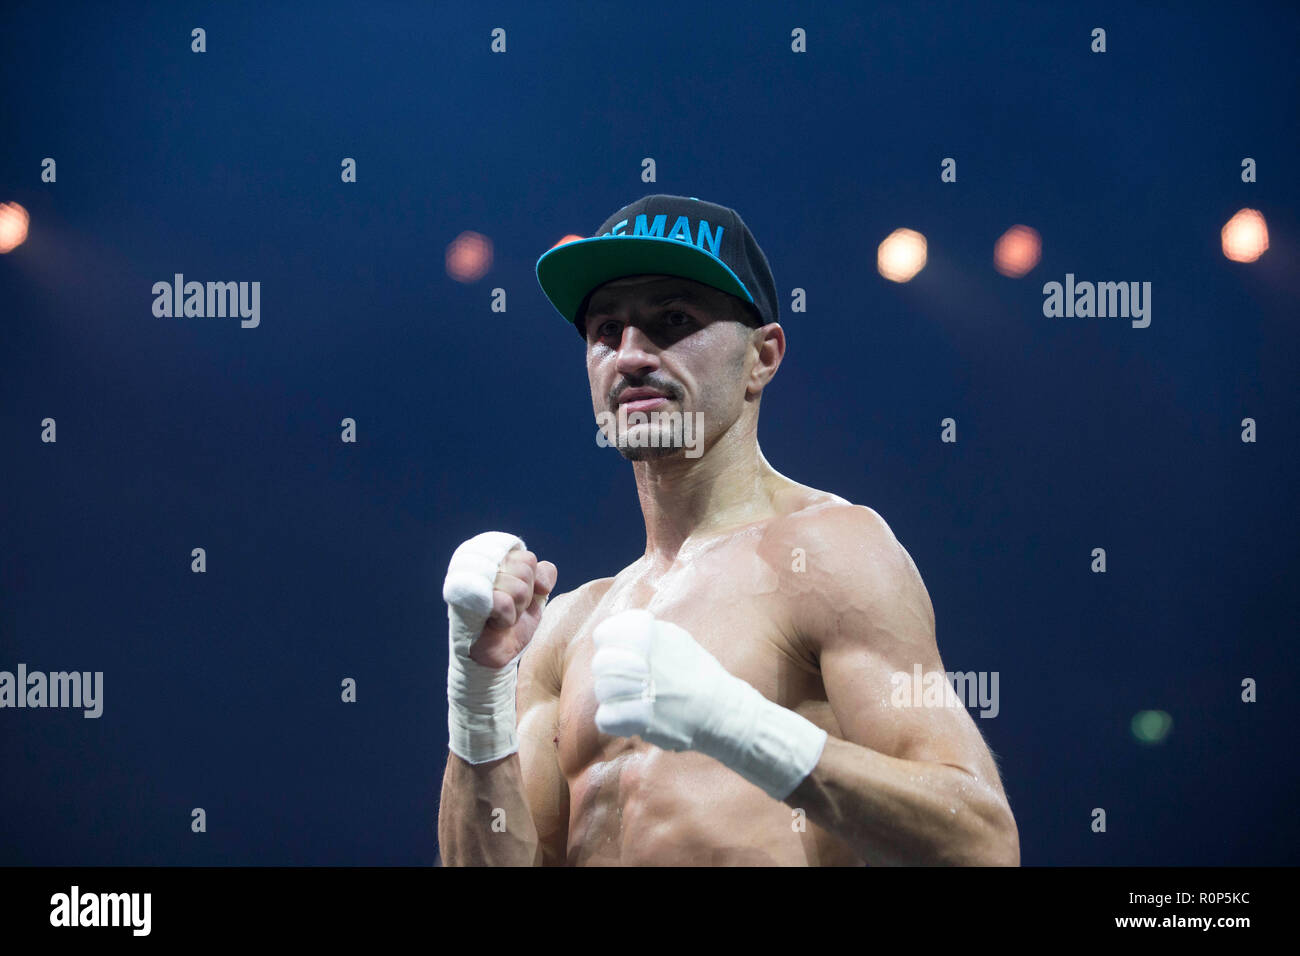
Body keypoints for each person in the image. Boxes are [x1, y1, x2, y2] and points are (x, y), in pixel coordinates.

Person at [436, 194, 1019, 865]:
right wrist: (476, 689)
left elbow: (981, 841)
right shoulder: (566, 628)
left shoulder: (830, 554)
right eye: (605, 331)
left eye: (673, 320)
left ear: (762, 358)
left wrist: (743, 729)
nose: (629, 355)